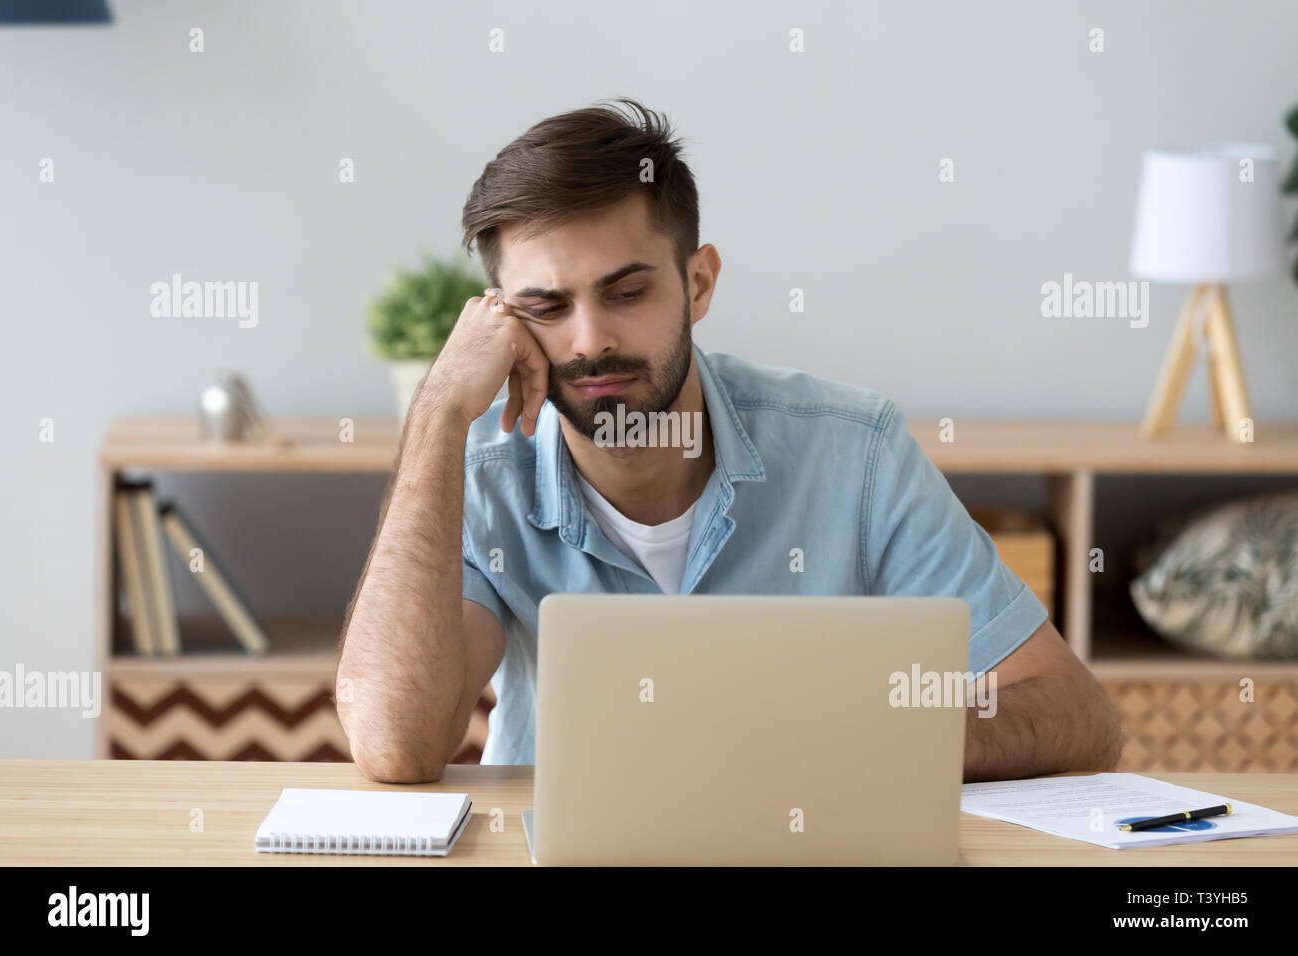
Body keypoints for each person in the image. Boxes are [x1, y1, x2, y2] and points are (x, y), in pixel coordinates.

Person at [335, 97, 1123, 782]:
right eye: (546, 307)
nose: (589, 341)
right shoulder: (482, 475)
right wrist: (439, 409)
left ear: (699, 282)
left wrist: (862, 740)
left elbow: (1076, 715)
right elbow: (396, 744)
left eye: (627, 291)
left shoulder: (855, 455)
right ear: (501, 318)